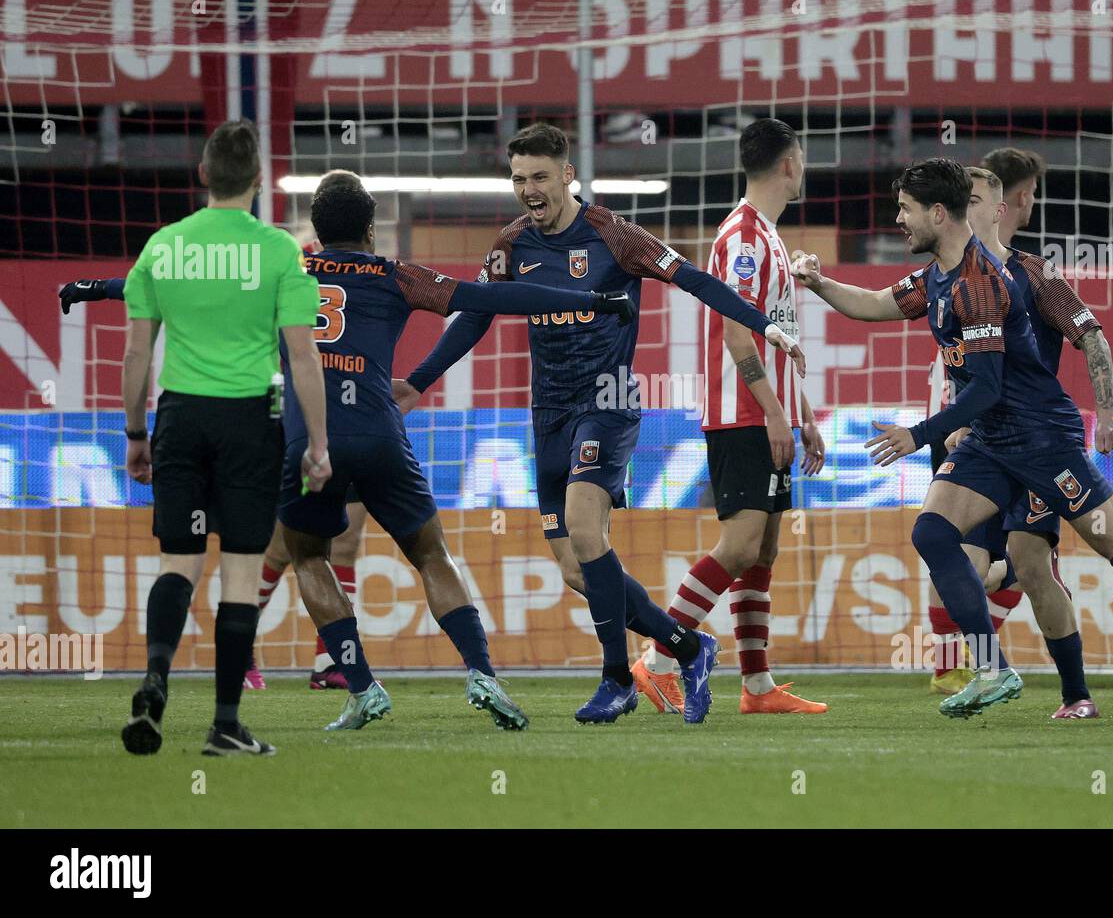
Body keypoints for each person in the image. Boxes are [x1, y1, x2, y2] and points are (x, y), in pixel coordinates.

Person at [794, 157, 1113, 726]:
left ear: (940, 213)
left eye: (905, 210)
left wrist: (919, 435)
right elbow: (873, 305)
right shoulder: (936, 277)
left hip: (1042, 441)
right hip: (991, 441)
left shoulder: (986, 284)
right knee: (934, 532)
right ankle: (995, 669)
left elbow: (990, 387)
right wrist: (818, 284)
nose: (898, 220)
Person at [395, 123, 805, 724]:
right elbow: (473, 314)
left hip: (607, 403)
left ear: (567, 175)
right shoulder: (512, 244)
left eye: (539, 176)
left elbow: (693, 279)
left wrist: (760, 322)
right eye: (518, 179)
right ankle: (688, 647)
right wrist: (421, 380)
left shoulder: (614, 236)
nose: (528, 190)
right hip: (549, 414)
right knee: (575, 568)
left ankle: (617, 678)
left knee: (587, 532)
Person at [279, 169, 636, 731]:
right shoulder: (396, 276)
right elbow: (495, 297)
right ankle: (481, 672)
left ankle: (361, 685)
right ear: (371, 230)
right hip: (380, 434)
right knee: (430, 555)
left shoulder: (286, 274)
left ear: (316, 233)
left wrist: (89, 291)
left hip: (310, 439)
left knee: (308, 557)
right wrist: (591, 298)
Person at [119, 119, 331, 757]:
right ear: (259, 181)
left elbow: (135, 354)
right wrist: (317, 445)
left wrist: (136, 431)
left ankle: (154, 680)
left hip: (180, 417)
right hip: (249, 420)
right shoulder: (277, 253)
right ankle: (225, 725)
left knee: (178, 562)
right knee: (240, 572)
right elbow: (302, 358)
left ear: (204, 174)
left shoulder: (162, 247)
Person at [631, 118, 827, 715]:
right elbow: (738, 334)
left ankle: (758, 687)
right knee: (740, 544)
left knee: (763, 548)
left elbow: (779, 337)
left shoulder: (766, 235)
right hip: (742, 414)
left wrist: (803, 416)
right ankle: (658, 658)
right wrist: (772, 414)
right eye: (802, 157)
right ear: (789, 164)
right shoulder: (743, 236)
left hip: (766, 409)